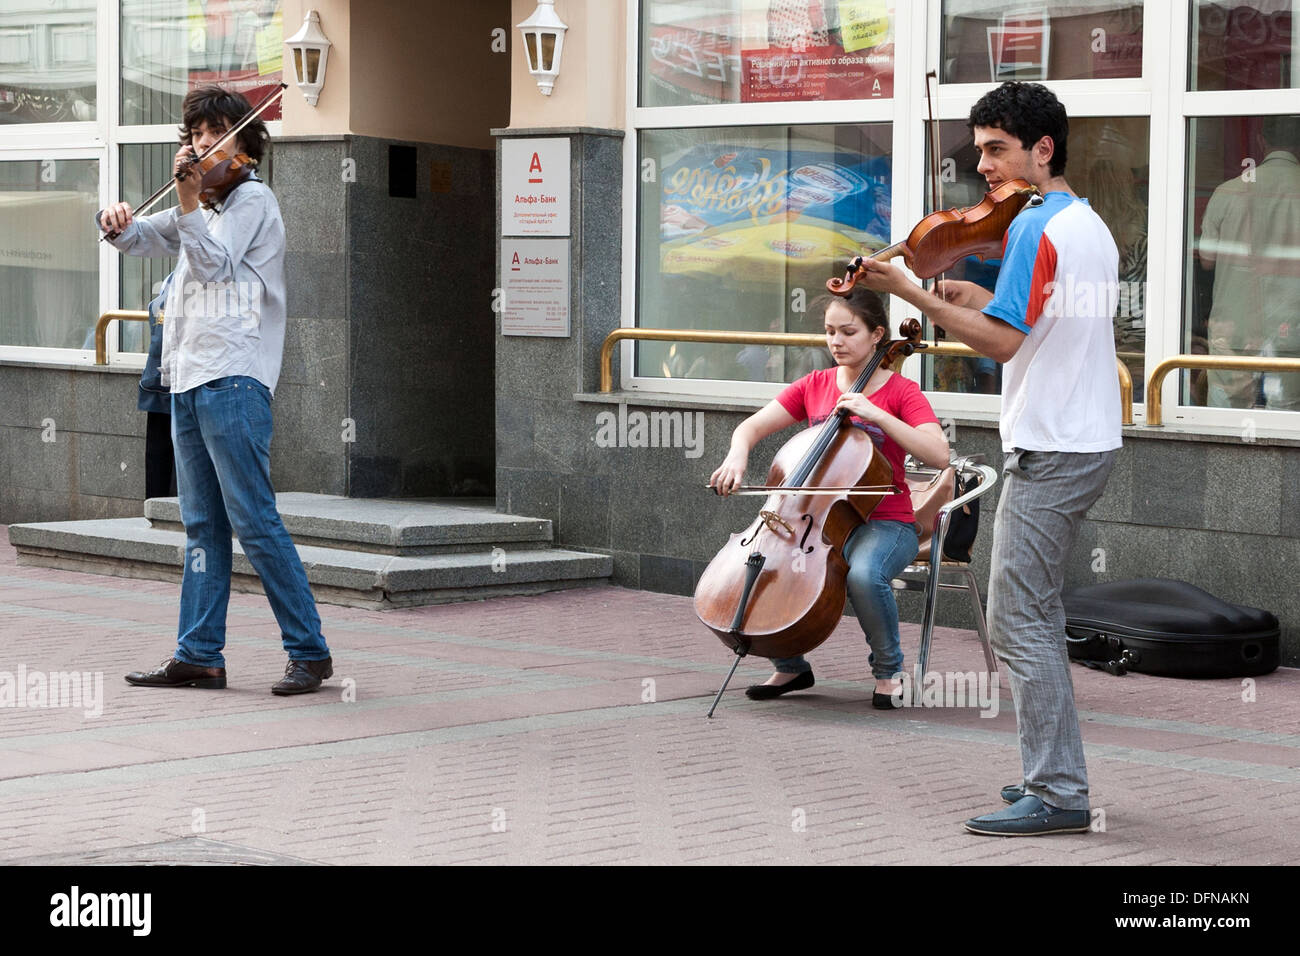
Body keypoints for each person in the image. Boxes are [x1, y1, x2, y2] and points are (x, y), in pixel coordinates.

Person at [850, 81, 1122, 836]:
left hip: (1055, 444)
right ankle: (1051, 769)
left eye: (998, 150)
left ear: (1044, 149)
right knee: (1031, 613)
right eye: (979, 152)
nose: (984, 169)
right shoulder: (1085, 223)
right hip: (1083, 437)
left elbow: (1004, 343)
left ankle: (1060, 790)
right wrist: (968, 294)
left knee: (1017, 620)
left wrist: (914, 291)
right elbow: (1036, 322)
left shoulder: (1036, 226)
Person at [98, 85, 333, 696]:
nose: (202, 145)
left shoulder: (253, 200)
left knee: (254, 521)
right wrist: (117, 222)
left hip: (234, 377)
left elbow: (214, 266)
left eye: (215, 134)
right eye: (196, 135)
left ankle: (309, 651)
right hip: (186, 376)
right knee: (202, 525)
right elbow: (144, 238)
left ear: (245, 146)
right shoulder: (203, 207)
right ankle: (200, 653)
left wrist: (187, 202)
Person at [709, 287, 949, 705]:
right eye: (829, 331)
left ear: (877, 335)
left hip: (886, 520)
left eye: (848, 332)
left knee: (864, 575)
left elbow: (938, 453)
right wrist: (736, 455)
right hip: (813, 520)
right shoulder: (815, 385)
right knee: (776, 567)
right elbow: (750, 428)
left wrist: (876, 413)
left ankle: (890, 673)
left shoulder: (901, 393)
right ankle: (790, 666)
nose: (836, 342)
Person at [1197, 115, 1300, 411]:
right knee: (1287, 412)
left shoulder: (1228, 191)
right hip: (1291, 323)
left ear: (1261, 141)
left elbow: (1206, 260)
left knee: (1228, 410)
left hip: (1235, 321)